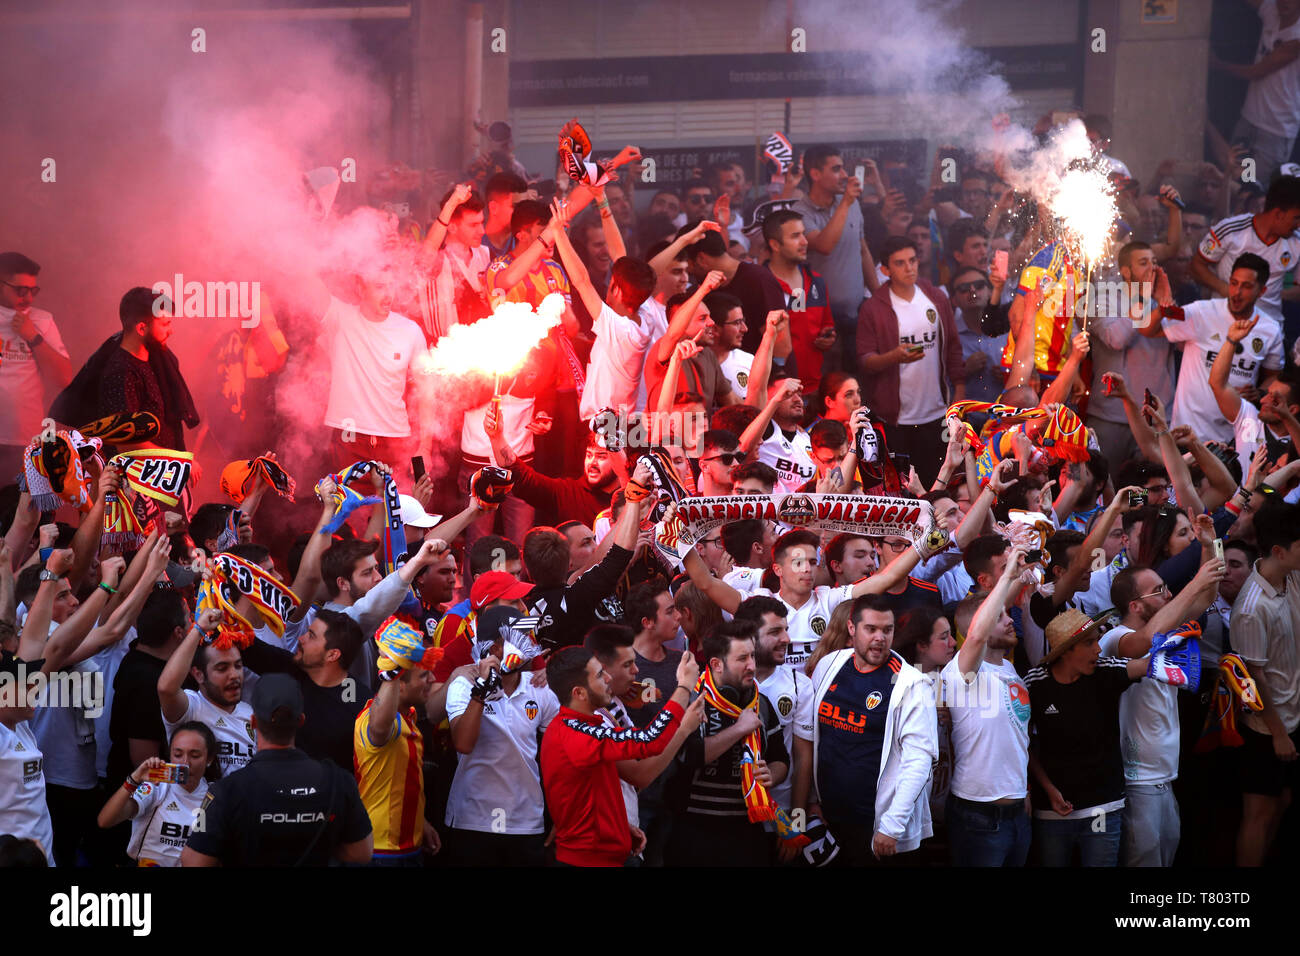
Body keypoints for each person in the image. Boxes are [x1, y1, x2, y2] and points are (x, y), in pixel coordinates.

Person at [1103, 557, 1226, 866]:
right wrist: (1196, 581)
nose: (1169, 595)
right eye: (1159, 590)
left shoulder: (1166, 627)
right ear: (1134, 606)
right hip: (1137, 779)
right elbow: (1146, 639)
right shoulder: (1115, 639)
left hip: (1165, 775)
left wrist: (1211, 542)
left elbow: (1208, 596)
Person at [181, 674, 373, 866]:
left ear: (253, 722)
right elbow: (361, 852)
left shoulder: (227, 791)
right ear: (301, 721)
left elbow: (194, 861)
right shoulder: (338, 781)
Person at [540, 642, 702, 867]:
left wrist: (618, 829)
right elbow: (650, 740)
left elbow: (588, 794)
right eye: (599, 675)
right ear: (579, 693)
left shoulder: (578, 727)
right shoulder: (576, 733)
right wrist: (684, 687)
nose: (608, 678)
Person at [805, 594, 938, 865]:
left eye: (887, 630)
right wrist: (811, 800)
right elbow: (812, 739)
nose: (880, 638)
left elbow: (919, 762)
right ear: (852, 629)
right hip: (831, 819)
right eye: (871, 629)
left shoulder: (912, 684)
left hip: (879, 828)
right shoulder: (829, 665)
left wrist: (891, 826)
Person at [1026, 608, 1153, 867]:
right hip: (1051, 813)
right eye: (1089, 642)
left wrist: (1171, 646)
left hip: (1103, 808)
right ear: (1066, 651)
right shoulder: (1034, 684)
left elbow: (1145, 666)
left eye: (1098, 640)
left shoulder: (1106, 671)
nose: (1098, 649)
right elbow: (1023, 745)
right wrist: (1049, 790)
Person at [665, 620, 789, 866]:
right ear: (716, 665)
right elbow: (687, 757)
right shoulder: (690, 700)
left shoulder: (761, 704)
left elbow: (781, 759)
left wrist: (771, 775)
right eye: (742, 659)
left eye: (752, 656)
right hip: (692, 832)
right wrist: (739, 729)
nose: (752, 666)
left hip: (747, 832)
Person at [444, 607, 559, 866]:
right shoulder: (464, 686)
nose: (530, 643)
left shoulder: (539, 687)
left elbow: (558, 756)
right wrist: (483, 690)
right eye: (521, 637)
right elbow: (463, 743)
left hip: (527, 823)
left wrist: (561, 816)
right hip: (473, 821)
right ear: (496, 648)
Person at [945, 555, 1033, 867]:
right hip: (978, 816)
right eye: (999, 617)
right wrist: (1009, 574)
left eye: (1007, 614)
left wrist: (1024, 791)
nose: (1009, 620)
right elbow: (978, 637)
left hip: (1017, 812)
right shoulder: (963, 671)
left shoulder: (1010, 667)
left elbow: (1017, 736)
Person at [857, 236, 965, 487]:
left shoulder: (936, 297)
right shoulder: (873, 308)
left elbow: (953, 350)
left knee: (939, 484)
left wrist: (958, 396)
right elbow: (864, 361)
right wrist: (894, 356)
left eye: (913, 260)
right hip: (895, 419)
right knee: (902, 489)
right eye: (900, 263)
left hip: (937, 412)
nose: (909, 268)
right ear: (885, 270)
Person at [1142, 252, 1284, 442]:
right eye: (1234, 283)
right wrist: (1162, 308)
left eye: (1247, 286)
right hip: (1188, 435)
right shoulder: (1202, 312)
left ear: (1262, 291)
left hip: (1235, 439)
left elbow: (1272, 375)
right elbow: (1149, 330)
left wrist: (1260, 393)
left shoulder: (1270, 329)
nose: (1236, 292)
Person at [1231, 498, 1300, 866]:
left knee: (1281, 803)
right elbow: (1253, 679)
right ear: (1279, 550)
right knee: (1258, 813)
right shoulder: (1251, 608)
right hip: (1266, 729)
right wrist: (1277, 733)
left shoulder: (1291, 575)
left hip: (1293, 714)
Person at [51, 286, 198, 451]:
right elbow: (126, 443)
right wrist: (177, 460)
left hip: (160, 472)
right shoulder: (121, 373)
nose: (171, 331)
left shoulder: (157, 361)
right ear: (141, 328)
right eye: (165, 324)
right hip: (132, 475)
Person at [1087, 241, 1176, 465]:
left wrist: (1167, 304)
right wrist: (1143, 299)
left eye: (1154, 263)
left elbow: (1184, 341)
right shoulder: (1103, 300)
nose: (1152, 269)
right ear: (1125, 271)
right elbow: (1116, 339)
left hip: (1153, 418)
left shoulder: (1162, 302)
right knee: (1106, 487)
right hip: (1111, 416)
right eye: (1143, 263)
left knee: (1149, 493)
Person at [353, 638, 441, 866]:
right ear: (400, 684)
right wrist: (392, 670)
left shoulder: (408, 717)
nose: (432, 679)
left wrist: (421, 822)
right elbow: (379, 728)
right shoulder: (372, 718)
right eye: (424, 676)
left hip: (409, 849)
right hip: (381, 853)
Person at [794, 145, 878, 369]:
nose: (844, 175)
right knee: (829, 386)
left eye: (843, 169)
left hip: (856, 315)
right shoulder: (799, 212)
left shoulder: (851, 204)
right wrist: (846, 203)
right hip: (821, 322)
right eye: (836, 169)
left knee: (857, 386)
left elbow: (863, 249)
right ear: (815, 174)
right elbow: (824, 245)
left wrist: (878, 296)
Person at [96, 722, 218, 867]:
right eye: (178, 754)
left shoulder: (216, 796)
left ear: (209, 759)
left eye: (195, 755)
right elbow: (105, 821)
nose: (185, 763)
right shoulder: (157, 786)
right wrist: (134, 779)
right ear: (170, 755)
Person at [1190, 165, 1300, 323]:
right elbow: (1196, 266)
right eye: (1296, 218)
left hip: (1268, 331)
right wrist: (1224, 288)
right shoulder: (1230, 229)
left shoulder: (1297, 242)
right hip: (1222, 324)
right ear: (1278, 214)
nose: (1299, 225)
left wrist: (1272, 295)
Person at [157, 609, 256, 779]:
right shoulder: (192, 707)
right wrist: (199, 630)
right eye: (222, 668)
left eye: (238, 666)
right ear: (198, 674)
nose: (234, 675)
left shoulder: (251, 714)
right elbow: (166, 688)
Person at [1213, 0, 1300, 189]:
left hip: (1275, 130)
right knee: (1233, 176)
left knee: (1251, 188)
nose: (1284, 2)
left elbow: (1257, 71)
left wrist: (1217, 65)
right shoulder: (1272, 11)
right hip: (1250, 118)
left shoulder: (1297, 35)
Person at [0, 251, 71, 476]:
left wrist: (33, 337)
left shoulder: (42, 321)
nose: (28, 298)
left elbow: (64, 378)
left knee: (19, 509)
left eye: (33, 290)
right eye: (20, 290)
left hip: (25, 438)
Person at [763, 210, 836, 395]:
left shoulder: (817, 281)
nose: (805, 241)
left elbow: (827, 325)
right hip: (775, 392)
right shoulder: (759, 285)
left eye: (803, 234)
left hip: (814, 390)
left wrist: (828, 337)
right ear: (775, 244)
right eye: (796, 236)